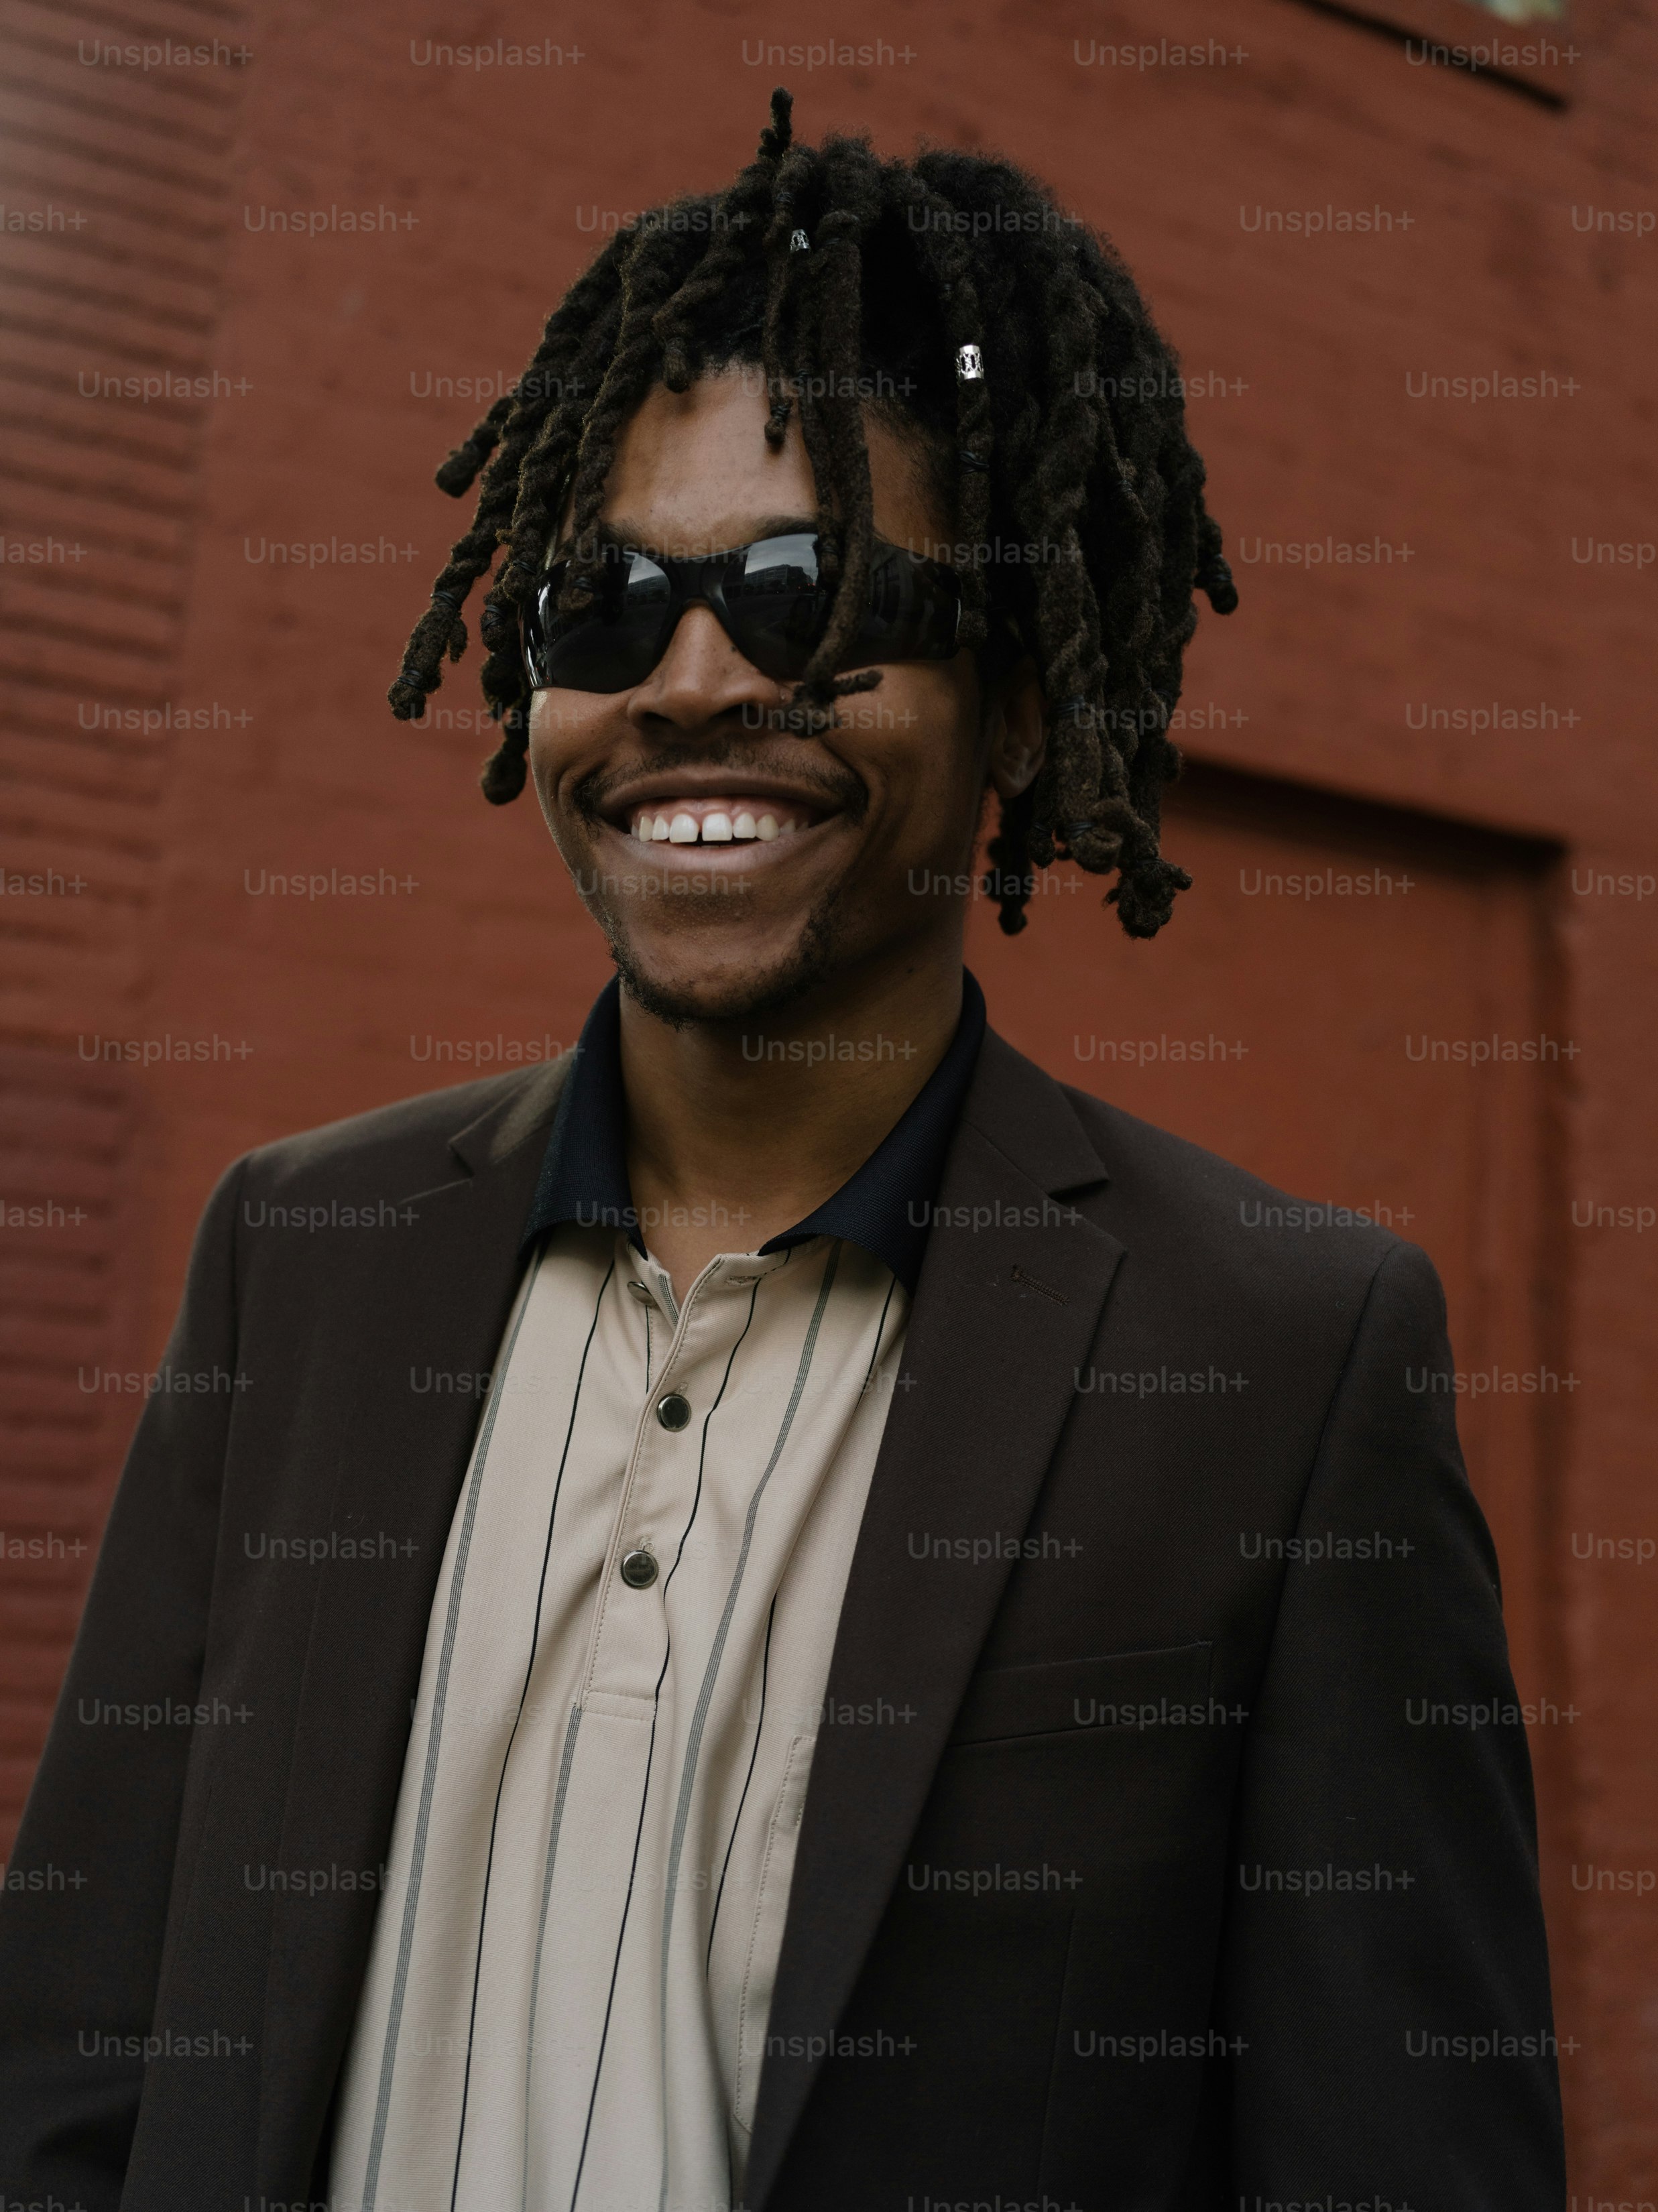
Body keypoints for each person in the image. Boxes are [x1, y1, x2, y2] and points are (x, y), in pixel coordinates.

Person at [0, 89, 1563, 2212]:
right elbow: (75, 2064)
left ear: (1018, 701)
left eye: (805, 596)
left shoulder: (1281, 1361)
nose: (690, 680)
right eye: (599, 608)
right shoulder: (304, 1253)